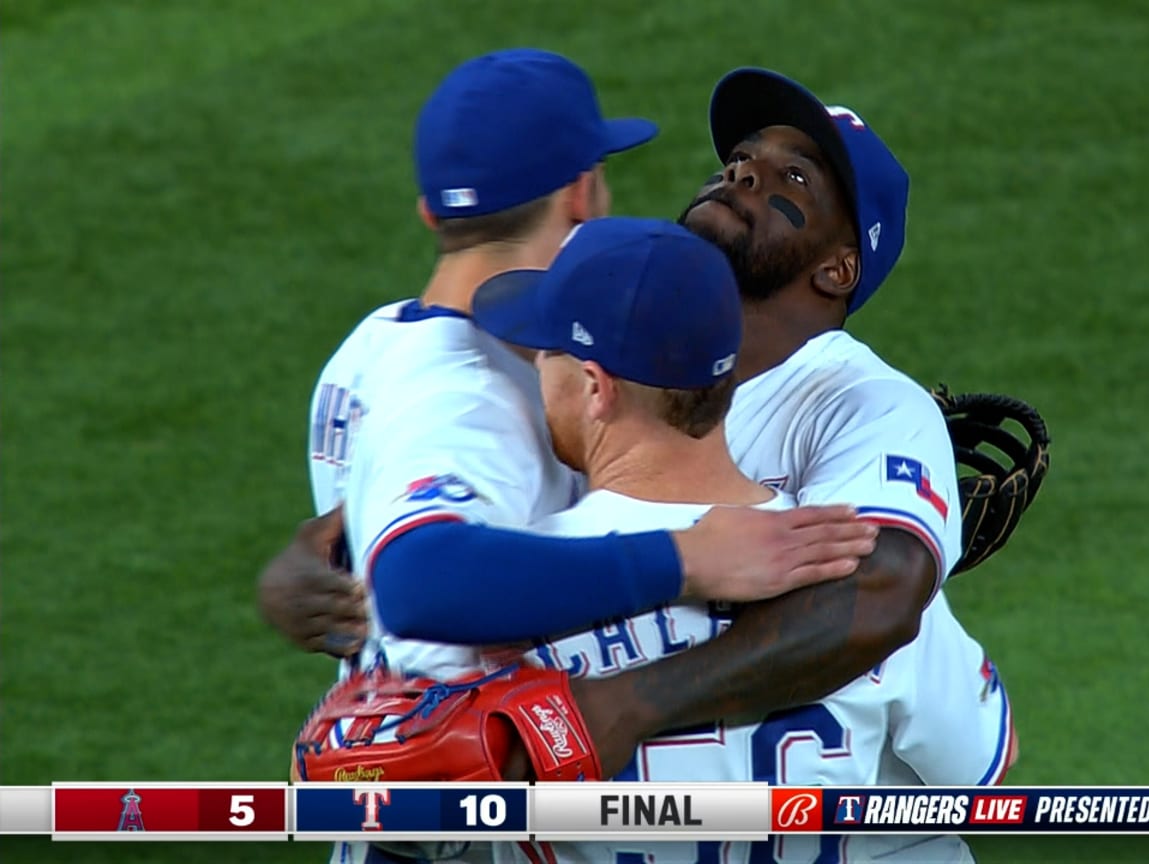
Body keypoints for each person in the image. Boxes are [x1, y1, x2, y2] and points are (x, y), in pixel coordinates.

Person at [266, 67, 1012, 793]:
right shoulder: (621, 329)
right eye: (742, 159)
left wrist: (617, 709)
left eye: (795, 180)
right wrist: (347, 543)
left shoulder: (863, 406)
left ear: (839, 267)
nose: (745, 174)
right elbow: (977, 762)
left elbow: (876, 597)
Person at [474, 215, 1014, 862]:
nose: (536, 371)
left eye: (545, 353)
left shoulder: (505, 595)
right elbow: (983, 771)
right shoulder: (857, 568)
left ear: (595, 388)